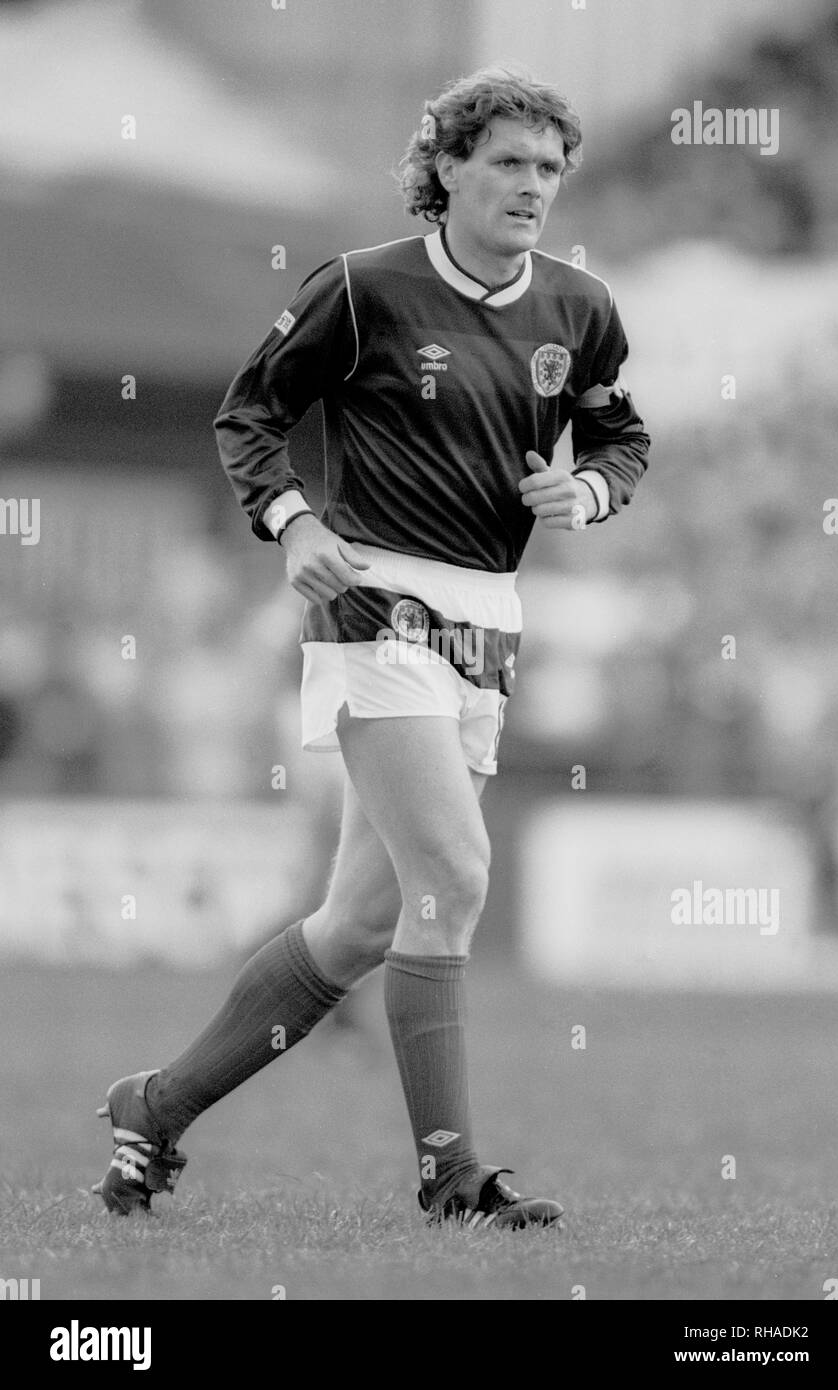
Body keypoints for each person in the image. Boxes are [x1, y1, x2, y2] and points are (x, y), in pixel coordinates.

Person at [93, 66, 650, 1229]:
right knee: (453, 879)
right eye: (508, 161)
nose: (533, 186)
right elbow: (248, 412)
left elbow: (619, 433)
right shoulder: (362, 289)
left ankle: (158, 1104)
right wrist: (292, 522)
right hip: (374, 605)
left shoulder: (578, 306)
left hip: (491, 619)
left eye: (550, 168)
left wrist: (586, 492)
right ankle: (451, 1174)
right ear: (445, 167)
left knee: (355, 924)